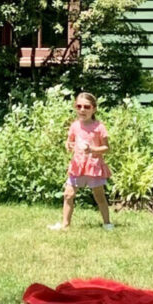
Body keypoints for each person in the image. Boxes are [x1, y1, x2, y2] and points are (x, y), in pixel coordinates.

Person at [50, 92, 112, 231]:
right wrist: (68, 145)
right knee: (68, 194)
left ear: (94, 109)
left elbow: (107, 148)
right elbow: (69, 141)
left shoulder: (99, 127)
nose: (82, 110)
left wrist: (92, 149)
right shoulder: (75, 126)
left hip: (93, 166)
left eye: (86, 107)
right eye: (79, 106)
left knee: (99, 196)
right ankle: (65, 224)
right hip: (77, 165)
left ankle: (107, 223)